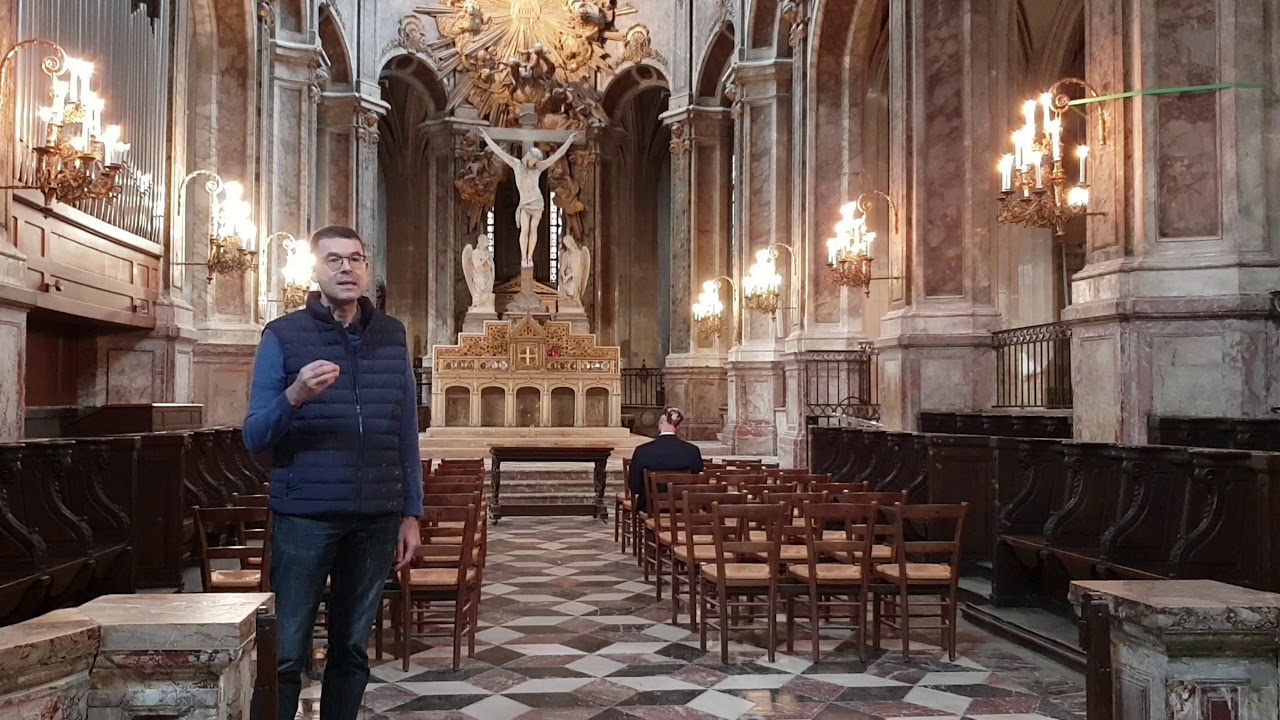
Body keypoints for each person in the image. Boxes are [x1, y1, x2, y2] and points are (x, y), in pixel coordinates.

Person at [243, 225, 423, 720]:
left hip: (376, 516)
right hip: (307, 515)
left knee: (351, 650)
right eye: (334, 260)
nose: (347, 268)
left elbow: (405, 428)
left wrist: (412, 511)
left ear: (367, 269)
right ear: (316, 270)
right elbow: (255, 434)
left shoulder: (392, 333)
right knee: (286, 650)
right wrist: (294, 395)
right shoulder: (283, 336)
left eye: (356, 259)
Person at [628, 407, 704, 508]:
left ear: (660, 422)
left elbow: (635, 486)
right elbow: (696, 481)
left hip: (650, 507)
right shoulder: (692, 451)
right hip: (683, 507)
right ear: (679, 426)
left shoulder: (643, 451)